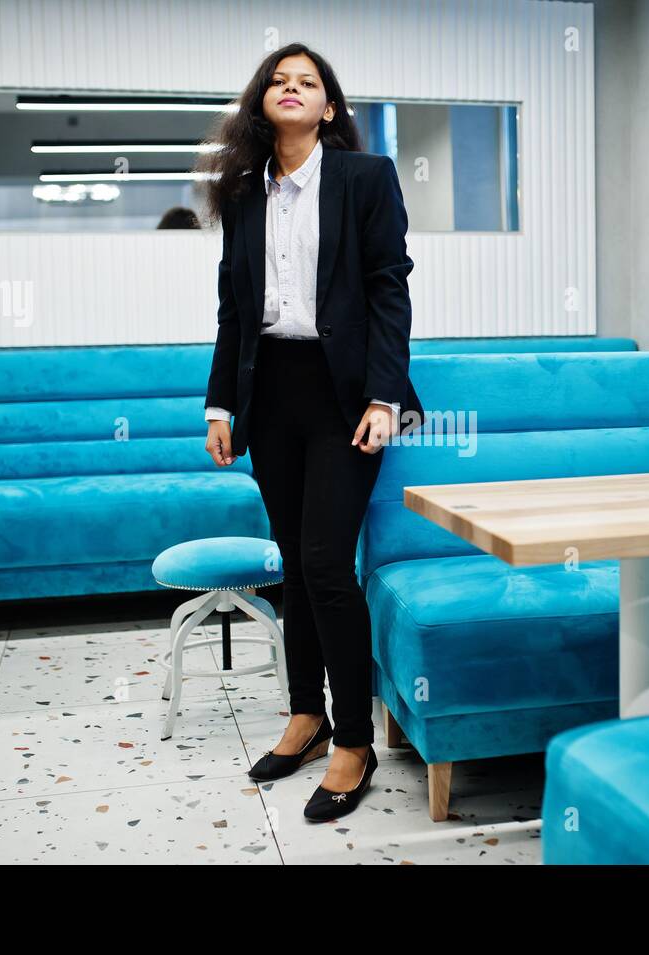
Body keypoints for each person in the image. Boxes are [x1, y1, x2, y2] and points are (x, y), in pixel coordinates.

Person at [199, 42, 424, 821]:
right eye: (278, 81)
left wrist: (385, 397)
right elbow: (234, 312)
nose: (291, 89)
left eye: (309, 82)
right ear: (261, 103)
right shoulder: (242, 194)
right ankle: (306, 711)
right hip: (273, 396)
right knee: (294, 560)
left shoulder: (366, 178)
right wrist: (220, 405)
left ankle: (354, 740)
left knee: (328, 561)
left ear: (329, 107)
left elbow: (388, 292)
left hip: (345, 396)